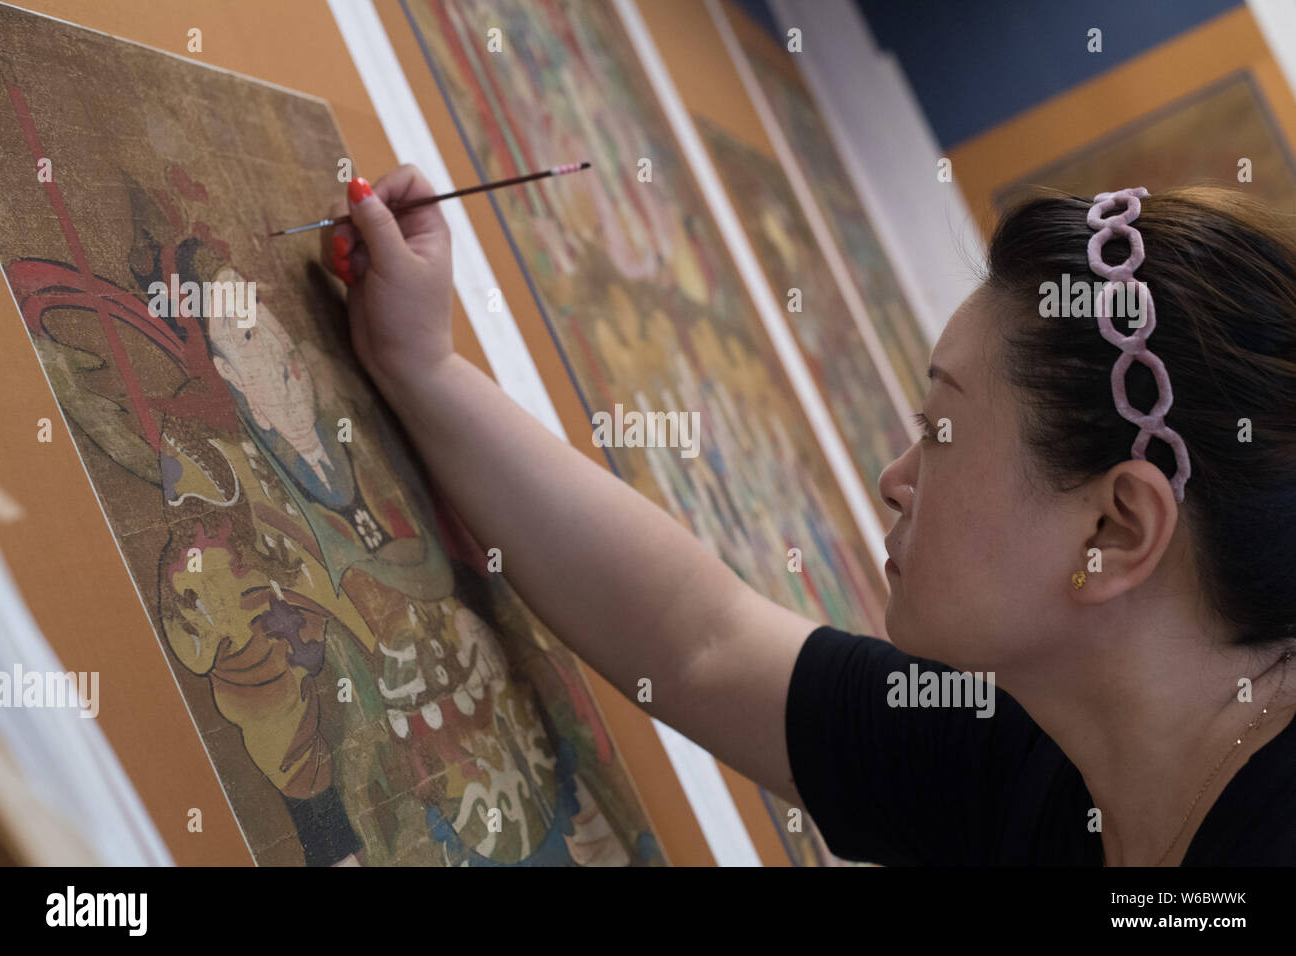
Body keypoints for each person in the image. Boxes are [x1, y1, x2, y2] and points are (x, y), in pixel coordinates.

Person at [323, 169, 1296, 866]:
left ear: (1116, 528)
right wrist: (425, 368)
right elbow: (702, 640)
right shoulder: (1034, 751)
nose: (894, 475)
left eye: (941, 430)